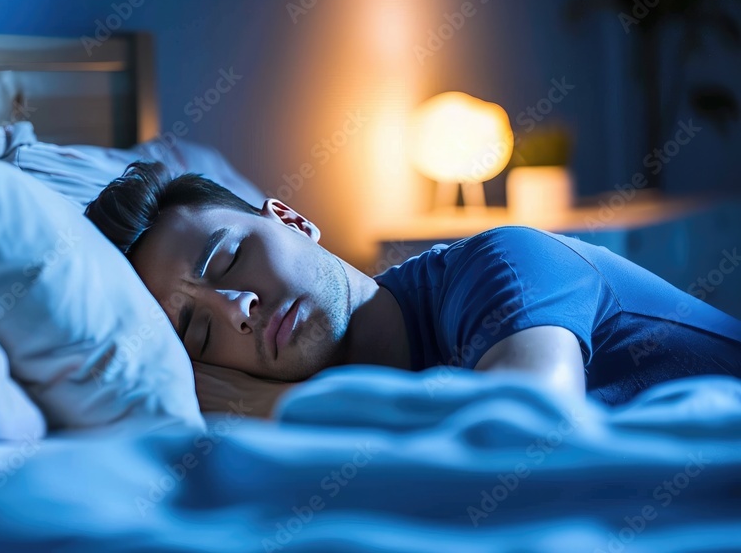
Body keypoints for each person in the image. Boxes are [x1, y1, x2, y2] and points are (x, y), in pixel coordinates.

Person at [85, 161, 741, 410]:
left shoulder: (504, 266)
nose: (235, 312)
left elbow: (528, 436)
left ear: (291, 219)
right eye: (198, 331)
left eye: (227, 261)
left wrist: (269, 409)